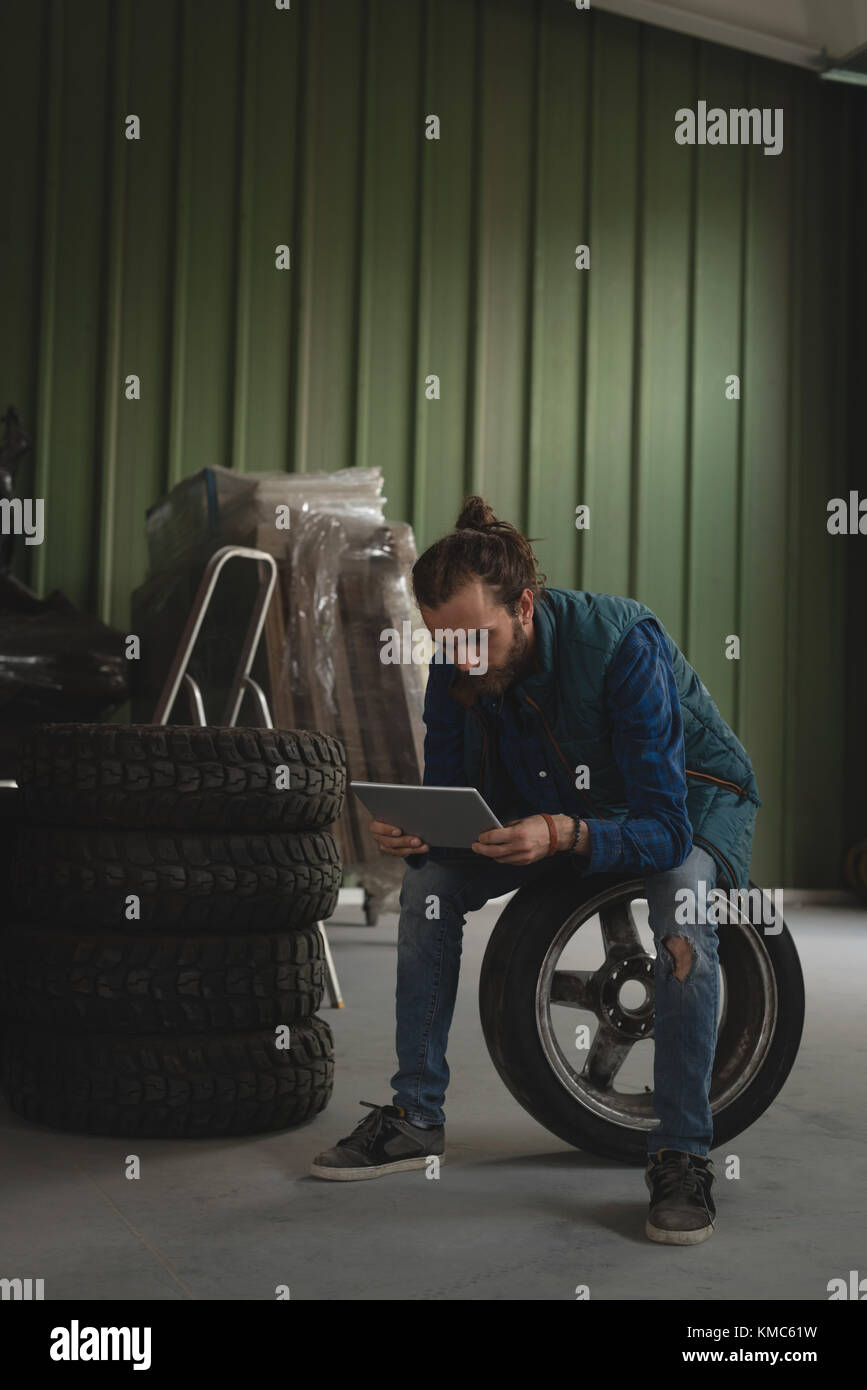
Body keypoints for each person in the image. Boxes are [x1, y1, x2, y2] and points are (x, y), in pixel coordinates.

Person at [310, 497, 760, 1246]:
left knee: (680, 912)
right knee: (425, 892)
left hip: (688, 796)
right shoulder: (458, 664)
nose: (463, 659)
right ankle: (415, 1116)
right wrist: (420, 837)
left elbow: (663, 824)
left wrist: (562, 832)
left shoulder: (621, 644)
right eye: (445, 642)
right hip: (554, 803)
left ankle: (680, 1152)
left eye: (478, 637)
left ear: (524, 606)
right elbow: (457, 801)